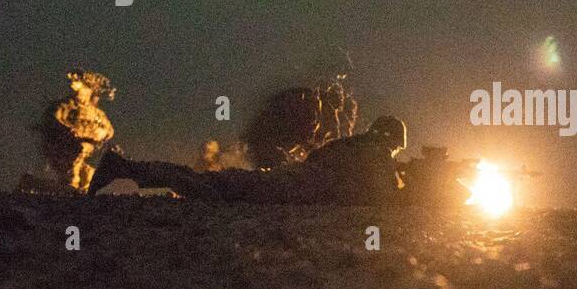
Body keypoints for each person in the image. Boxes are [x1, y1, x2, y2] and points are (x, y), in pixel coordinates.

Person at [89, 116, 407, 204]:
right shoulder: (373, 152)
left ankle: (128, 168)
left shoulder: (351, 145)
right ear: (390, 141)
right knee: (210, 187)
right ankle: (124, 168)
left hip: (292, 179)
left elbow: (318, 158)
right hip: (292, 187)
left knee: (214, 184)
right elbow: (384, 195)